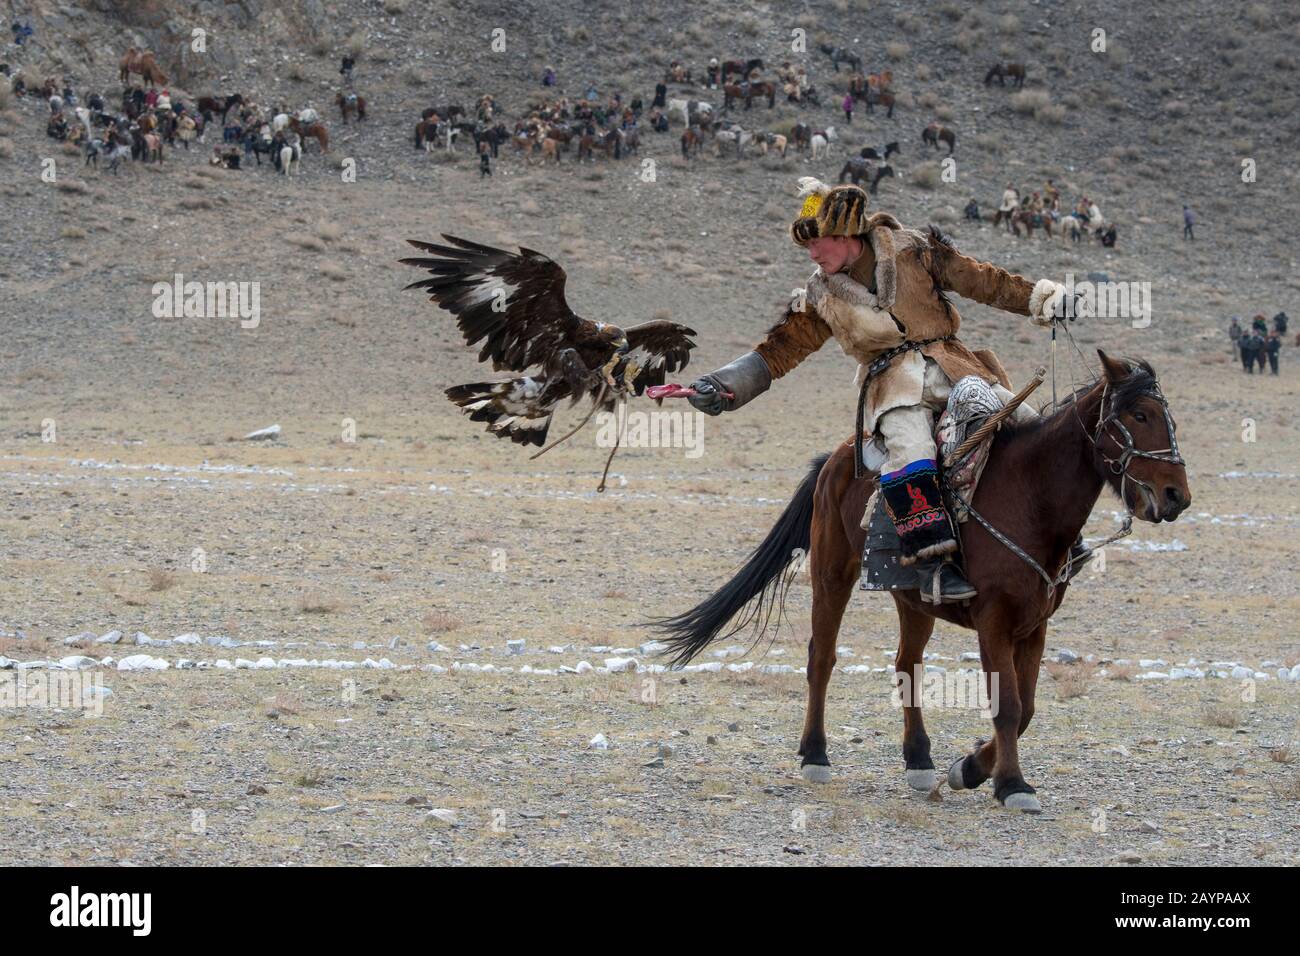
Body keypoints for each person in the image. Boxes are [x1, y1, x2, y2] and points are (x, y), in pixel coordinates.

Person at [685, 177, 1082, 603]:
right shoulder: (820, 293)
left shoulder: (915, 251)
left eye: (818, 244)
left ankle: (1066, 539)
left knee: (1027, 424)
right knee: (912, 450)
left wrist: (1042, 300)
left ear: (845, 236)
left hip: (956, 367)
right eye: (808, 249)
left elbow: (982, 281)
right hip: (892, 387)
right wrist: (724, 385)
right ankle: (931, 563)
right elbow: (779, 349)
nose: (812, 255)